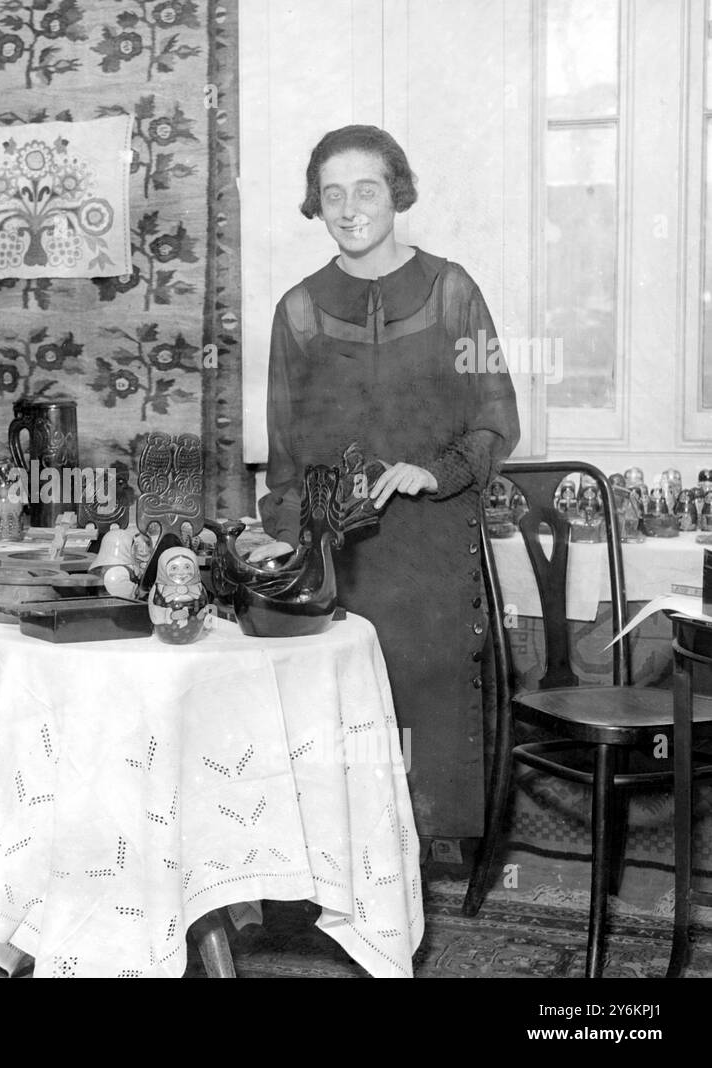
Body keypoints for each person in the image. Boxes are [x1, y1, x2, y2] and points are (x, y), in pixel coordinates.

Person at [251, 125, 519, 839]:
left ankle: (421, 862)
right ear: (317, 204)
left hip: (431, 547)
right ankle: (337, 867)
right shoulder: (298, 310)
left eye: (365, 189)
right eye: (331, 194)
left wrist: (433, 471)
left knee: (422, 721)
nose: (349, 207)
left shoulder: (453, 290)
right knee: (331, 730)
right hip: (335, 555)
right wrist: (290, 555)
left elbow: (497, 421)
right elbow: (283, 461)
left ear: (396, 193)